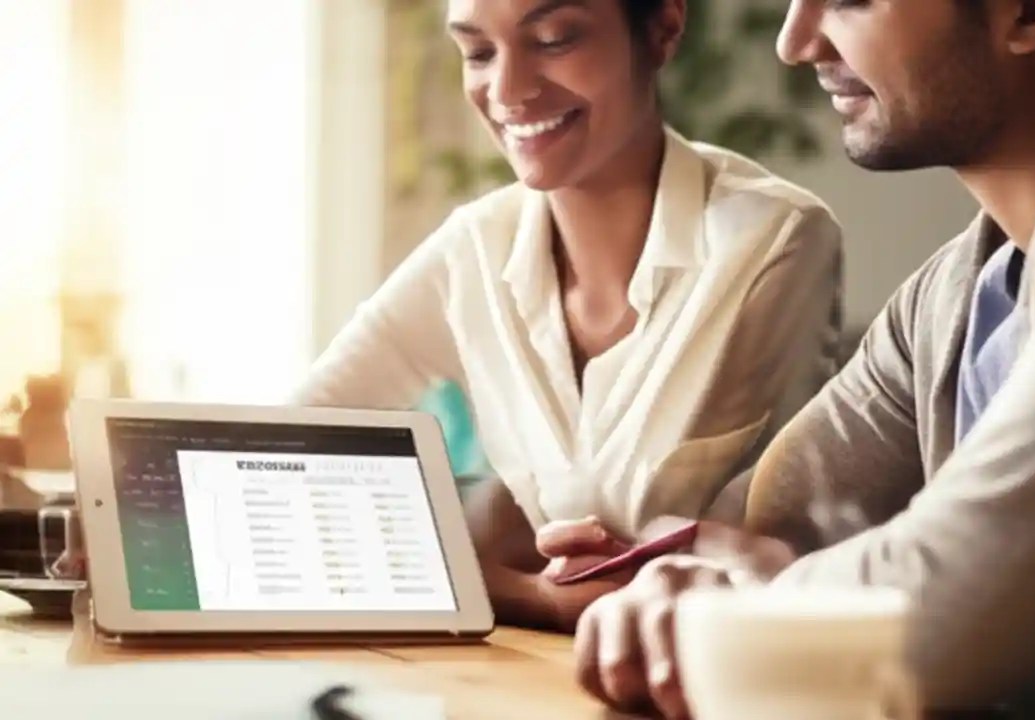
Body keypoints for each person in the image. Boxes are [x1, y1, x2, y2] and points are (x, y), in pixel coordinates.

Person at [568, 0, 1035, 715]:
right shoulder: (955, 293)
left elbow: (955, 602)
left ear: (1033, 10)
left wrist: (722, 608)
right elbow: (743, 529)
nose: (795, 42)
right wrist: (632, 566)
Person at [292, 0, 844, 633]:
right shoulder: (471, 250)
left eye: (554, 40)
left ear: (662, 27)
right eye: (477, 53)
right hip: (533, 675)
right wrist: (519, 589)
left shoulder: (773, 241)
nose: (507, 90)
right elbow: (287, 457)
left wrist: (501, 549)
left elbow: (775, 549)